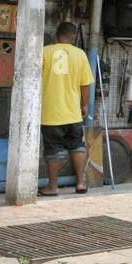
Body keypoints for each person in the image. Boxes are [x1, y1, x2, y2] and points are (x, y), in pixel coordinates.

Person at [40, 21, 94, 196]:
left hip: (49, 113)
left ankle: (53, 186)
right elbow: (85, 84)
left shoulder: (44, 52)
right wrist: (84, 105)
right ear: (74, 37)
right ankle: (80, 183)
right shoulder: (80, 55)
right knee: (77, 145)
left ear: (56, 36)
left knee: (53, 149)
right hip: (73, 113)